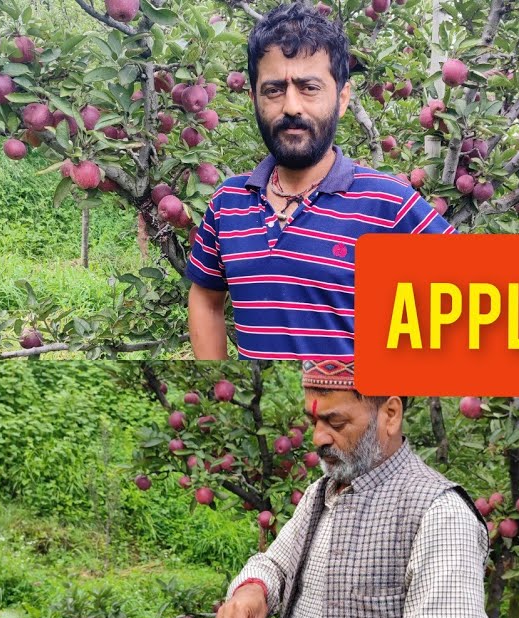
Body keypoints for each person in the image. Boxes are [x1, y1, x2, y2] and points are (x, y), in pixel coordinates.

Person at [214, 360, 488, 618]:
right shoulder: (322, 493)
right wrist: (252, 590)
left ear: (390, 414)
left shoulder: (438, 511)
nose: (317, 439)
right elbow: (277, 564)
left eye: (336, 423)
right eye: (314, 421)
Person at [187, 2, 455, 361]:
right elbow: (206, 296)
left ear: (341, 99)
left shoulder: (389, 204)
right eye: (273, 90)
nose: (292, 106)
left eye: (309, 87)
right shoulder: (227, 202)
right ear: (253, 99)